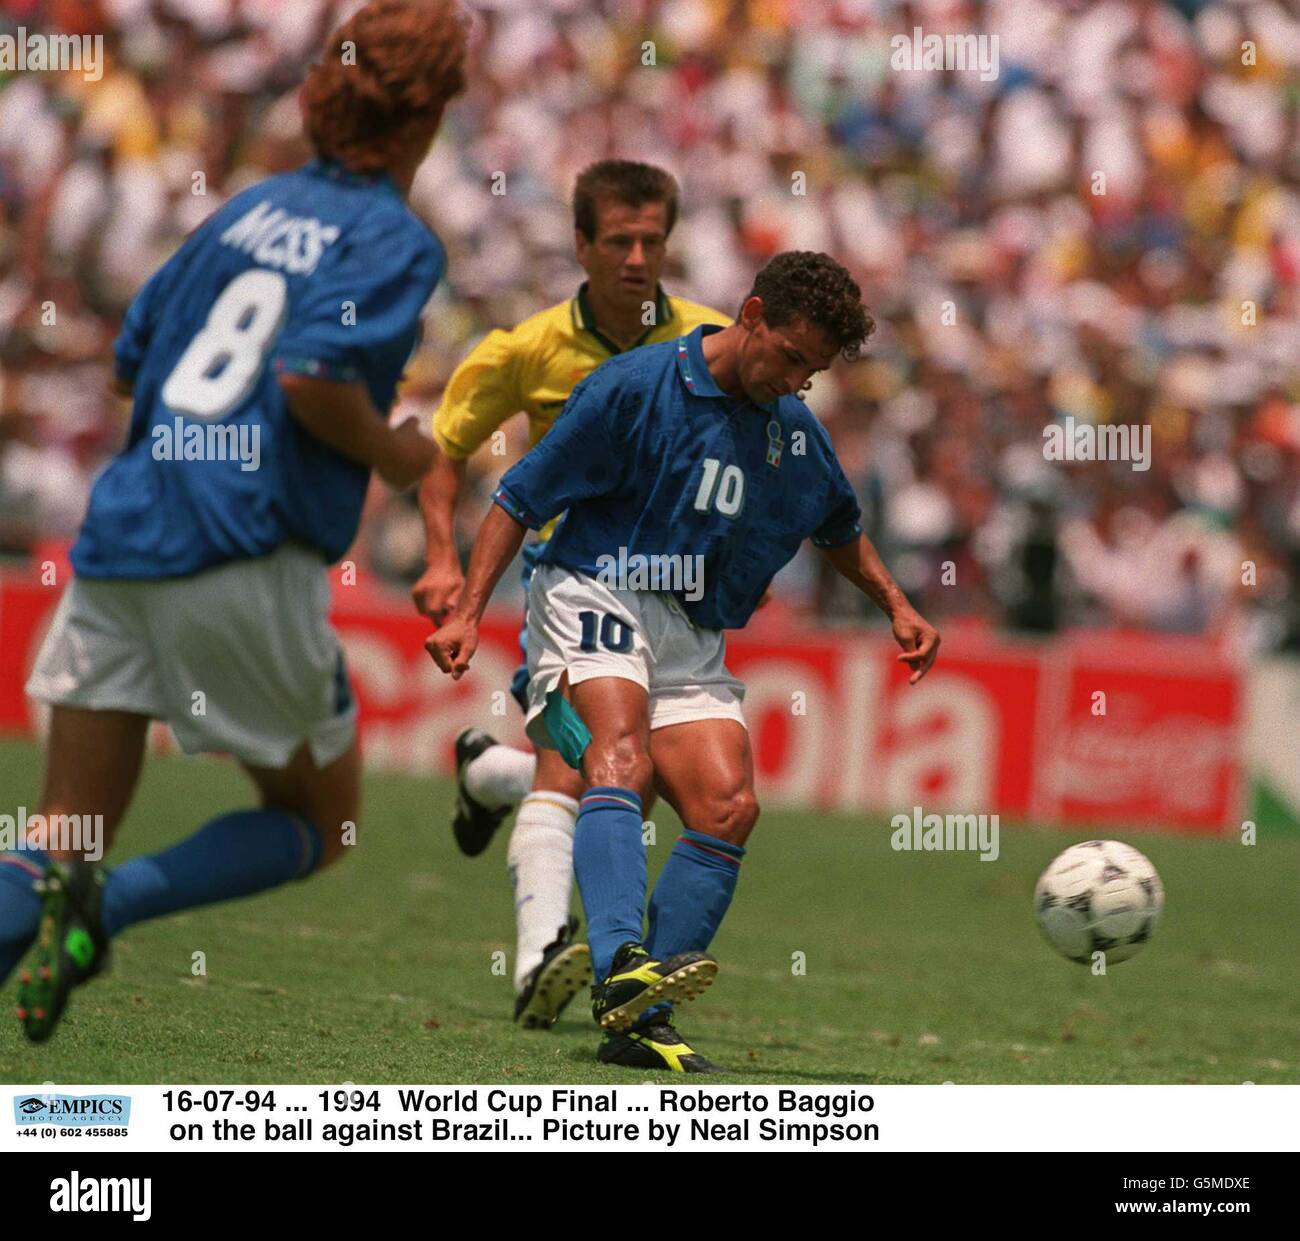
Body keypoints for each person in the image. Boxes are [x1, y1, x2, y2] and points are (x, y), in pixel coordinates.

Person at [0, 0, 469, 1042]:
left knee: (57, 833)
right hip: (241, 546)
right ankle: (109, 906)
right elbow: (311, 376)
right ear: (426, 119)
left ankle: (75, 888)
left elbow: (135, 356)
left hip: (124, 534)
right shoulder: (392, 238)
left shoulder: (243, 212)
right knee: (321, 816)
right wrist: (400, 451)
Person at [427, 251, 940, 1072]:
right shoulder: (635, 387)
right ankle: (620, 962)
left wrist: (899, 606)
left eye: (812, 369)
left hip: (690, 629)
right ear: (752, 313)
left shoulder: (792, 433)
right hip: (596, 585)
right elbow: (519, 497)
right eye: (791, 356)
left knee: (729, 806)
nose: (797, 379)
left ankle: (639, 1015)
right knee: (618, 760)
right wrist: (466, 610)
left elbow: (837, 527)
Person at [412, 160, 729, 1029]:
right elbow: (443, 450)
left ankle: (485, 773)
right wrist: (444, 560)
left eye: (652, 241)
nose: (636, 257)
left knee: (623, 776)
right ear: (581, 244)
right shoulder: (524, 349)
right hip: (566, 581)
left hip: (668, 599)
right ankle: (539, 959)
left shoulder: (710, 339)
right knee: (590, 768)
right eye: (618, 240)